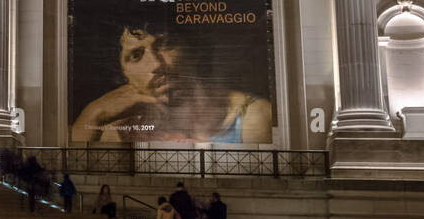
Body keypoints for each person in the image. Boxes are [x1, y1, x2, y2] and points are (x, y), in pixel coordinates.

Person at [69, 23, 272, 144]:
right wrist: (92, 114)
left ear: (192, 50)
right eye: (136, 55)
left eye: (164, 44)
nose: (157, 64)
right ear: (122, 76)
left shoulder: (252, 115)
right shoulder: (119, 132)